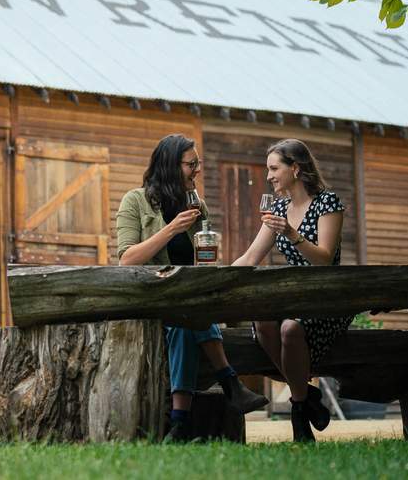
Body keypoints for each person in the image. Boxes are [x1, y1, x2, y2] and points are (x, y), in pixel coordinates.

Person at [116, 133, 268, 443]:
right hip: (150, 296)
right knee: (185, 317)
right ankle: (230, 383)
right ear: (171, 166)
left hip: (188, 303)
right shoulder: (135, 201)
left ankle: (180, 423)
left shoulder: (198, 207)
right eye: (191, 164)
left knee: (185, 323)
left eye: (197, 164)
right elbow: (127, 259)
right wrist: (172, 229)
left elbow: (204, 261)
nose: (197, 170)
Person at [231, 138, 347, 443]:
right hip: (294, 296)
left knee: (291, 330)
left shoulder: (327, 203)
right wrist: (218, 276)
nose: (268, 175)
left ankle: (298, 415)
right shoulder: (278, 208)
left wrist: (292, 234)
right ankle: (306, 393)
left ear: (295, 168)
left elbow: (323, 259)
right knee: (264, 321)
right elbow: (250, 258)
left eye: (274, 168)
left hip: (327, 299)